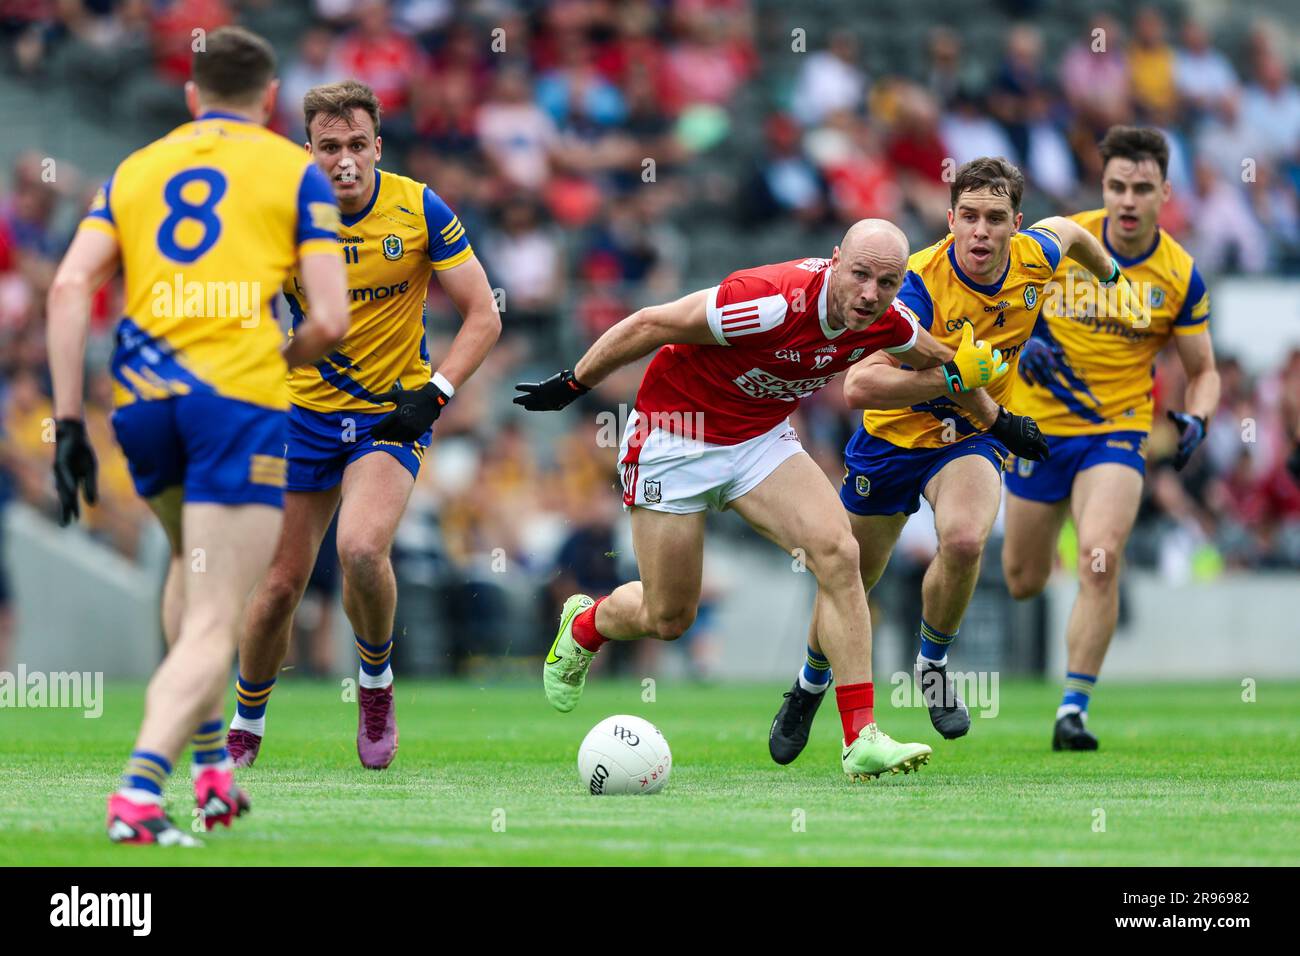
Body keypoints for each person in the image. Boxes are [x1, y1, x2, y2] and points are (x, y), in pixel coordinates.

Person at [515, 219, 1029, 780]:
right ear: (836, 260)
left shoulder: (890, 321)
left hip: (758, 442)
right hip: (673, 436)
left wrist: (996, 418)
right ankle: (587, 624)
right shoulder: (768, 304)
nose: (869, 294)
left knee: (840, 553)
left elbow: (943, 361)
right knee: (669, 618)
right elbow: (652, 322)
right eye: (859, 275)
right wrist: (572, 383)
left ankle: (861, 738)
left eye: (886, 282)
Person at [46, 26, 350, 844]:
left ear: (191, 96)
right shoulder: (292, 171)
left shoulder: (136, 169)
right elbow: (329, 315)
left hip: (142, 403)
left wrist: (69, 419)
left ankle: (212, 771)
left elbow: (71, 286)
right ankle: (141, 792)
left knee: (192, 565)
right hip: (235, 402)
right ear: (271, 98)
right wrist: (279, 355)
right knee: (221, 611)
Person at [768, 157, 1144, 764]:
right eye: (968, 216)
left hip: (972, 436)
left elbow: (1072, 234)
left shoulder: (1036, 256)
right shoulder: (914, 283)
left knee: (967, 541)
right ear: (949, 219)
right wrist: (948, 377)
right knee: (853, 579)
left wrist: (1110, 275)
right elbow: (860, 387)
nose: (980, 231)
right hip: (891, 440)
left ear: (1015, 225)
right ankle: (809, 687)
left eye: (995, 219)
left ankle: (932, 663)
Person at [226, 80, 500, 770]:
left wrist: (435, 394)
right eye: (328, 147)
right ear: (307, 153)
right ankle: (246, 725)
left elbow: (484, 314)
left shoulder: (419, 207)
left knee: (359, 550)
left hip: (391, 413)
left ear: (377, 147)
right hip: (301, 415)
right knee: (281, 586)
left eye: (356, 145)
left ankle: (375, 683)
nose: (343, 160)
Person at [1003, 127, 1220, 750]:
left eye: (1142, 188)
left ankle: (1072, 710)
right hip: (1037, 430)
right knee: (1022, 578)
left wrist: (1197, 417)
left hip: (1117, 430)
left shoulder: (1180, 276)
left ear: (1165, 193)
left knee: (1099, 559)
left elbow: (1204, 373)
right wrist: (1027, 344)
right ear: (1102, 188)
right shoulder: (1059, 242)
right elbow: (998, 312)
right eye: (1117, 186)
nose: (1128, 200)